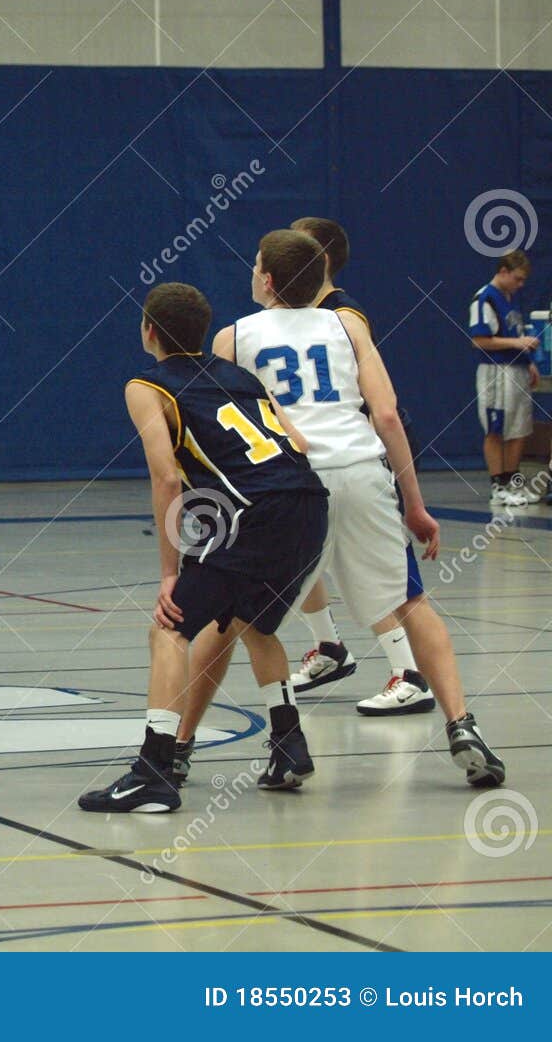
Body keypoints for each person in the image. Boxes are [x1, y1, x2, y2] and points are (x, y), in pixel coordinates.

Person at [176, 230, 506, 790]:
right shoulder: (348, 325)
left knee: (230, 618)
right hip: (361, 472)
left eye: (256, 266)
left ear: (269, 281)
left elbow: (222, 430)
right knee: (411, 602)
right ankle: (462, 725)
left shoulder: (234, 337)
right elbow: (388, 416)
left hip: (289, 484)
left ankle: (179, 748)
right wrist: (416, 504)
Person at [80, 282, 327, 813]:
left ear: (149, 330)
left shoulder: (147, 386)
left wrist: (169, 571)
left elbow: (166, 479)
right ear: (202, 330)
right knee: (253, 623)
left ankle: (153, 770)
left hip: (256, 516)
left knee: (170, 627)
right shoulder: (241, 377)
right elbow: (299, 445)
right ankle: (288, 746)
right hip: (309, 503)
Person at [217, 216, 433, 717]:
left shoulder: (341, 316)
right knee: (307, 556)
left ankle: (411, 672)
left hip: (357, 455)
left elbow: (379, 406)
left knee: (375, 577)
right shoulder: (289, 320)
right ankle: (330, 647)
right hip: (313, 462)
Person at [468, 249, 539, 509]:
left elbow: (514, 333)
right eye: (518, 279)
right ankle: (498, 487)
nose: (520, 285)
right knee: (496, 429)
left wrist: (528, 361)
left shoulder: (510, 298)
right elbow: (479, 340)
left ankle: (512, 484)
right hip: (496, 372)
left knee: (519, 429)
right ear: (503, 271)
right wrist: (517, 343)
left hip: (517, 369)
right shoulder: (484, 298)